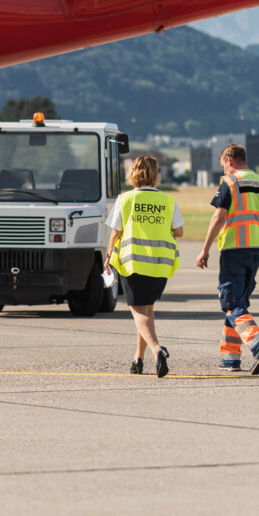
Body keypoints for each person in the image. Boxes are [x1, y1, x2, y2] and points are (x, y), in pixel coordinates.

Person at [195, 144, 259, 374]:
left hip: (234, 251)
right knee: (236, 305)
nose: (223, 171)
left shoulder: (230, 183)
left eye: (223, 165)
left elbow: (218, 216)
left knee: (232, 304)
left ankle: (258, 344)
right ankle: (231, 358)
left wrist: (205, 249)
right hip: (256, 253)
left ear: (229, 161)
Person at [106, 155, 183, 378]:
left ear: (133, 174)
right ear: (156, 175)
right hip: (160, 265)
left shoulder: (125, 199)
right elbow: (178, 232)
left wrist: (108, 255)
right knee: (147, 310)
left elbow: (115, 232)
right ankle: (138, 359)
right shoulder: (168, 201)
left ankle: (157, 349)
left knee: (138, 310)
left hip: (133, 264)